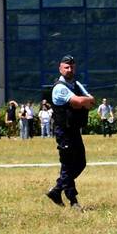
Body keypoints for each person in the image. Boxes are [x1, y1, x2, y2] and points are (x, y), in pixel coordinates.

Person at [45, 55, 94, 209]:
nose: (69, 69)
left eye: (72, 66)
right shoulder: (60, 87)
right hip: (63, 132)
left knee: (80, 163)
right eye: (66, 67)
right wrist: (82, 102)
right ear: (60, 68)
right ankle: (73, 201)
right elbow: (80, 102)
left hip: (74, 130)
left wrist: (83, 102)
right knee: (67, 165)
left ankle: (57, 190)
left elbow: (92, 101)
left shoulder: (76, 84)